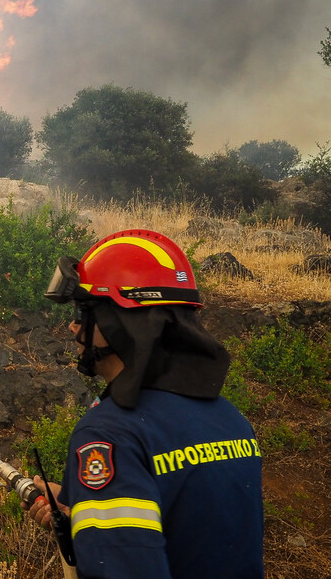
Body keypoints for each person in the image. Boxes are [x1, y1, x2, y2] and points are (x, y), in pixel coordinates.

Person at [27, 229, 264, 579]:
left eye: (82, 310)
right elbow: (186, 529)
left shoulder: (109, 436)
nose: (72, 326)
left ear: (121, 321)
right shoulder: (231, 420)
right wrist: (85, 508)